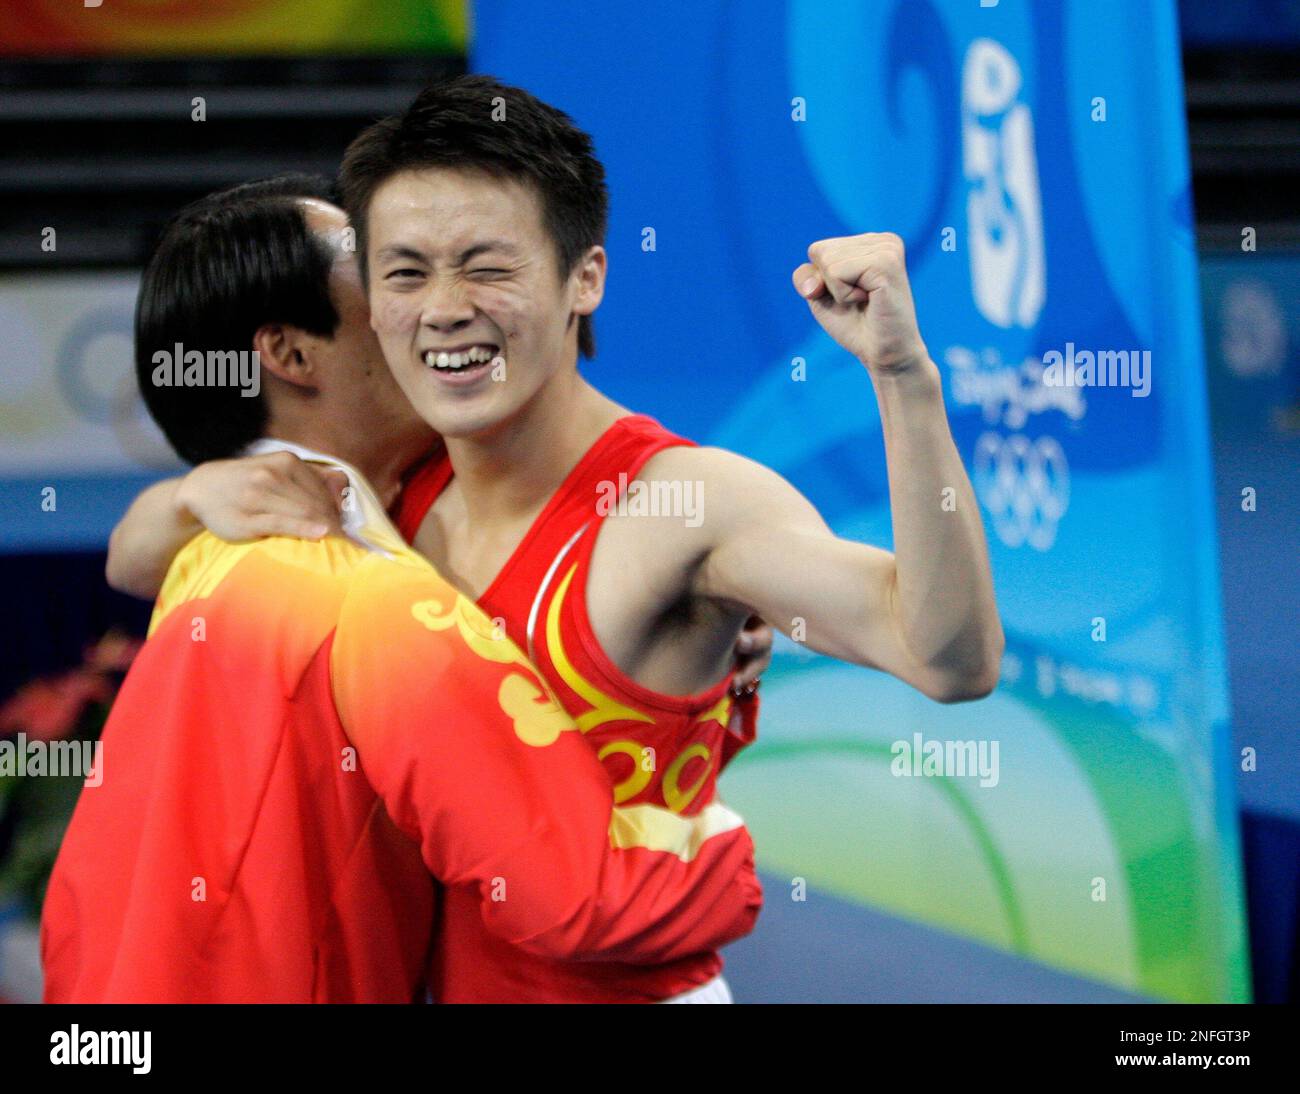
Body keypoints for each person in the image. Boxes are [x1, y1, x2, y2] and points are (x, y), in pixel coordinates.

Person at [111, 72, 1004, 1003]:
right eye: (407, 271)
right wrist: (191, 496)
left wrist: (903, 377)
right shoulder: (387, 491)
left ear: (587, 276)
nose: (446, 307)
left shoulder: (688, 504)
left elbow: (946, 659)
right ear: (371, 301)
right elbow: (135, 563)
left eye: (489, 266)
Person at [42, 176, 762, 1003]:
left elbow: (128, 557)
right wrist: (724, 846)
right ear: (291, 354)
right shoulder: (371, 604)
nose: (420, 305)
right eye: (385, 270)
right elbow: (584, 896)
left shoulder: (202, 552)